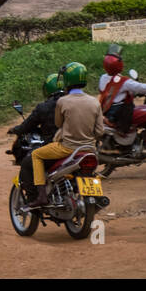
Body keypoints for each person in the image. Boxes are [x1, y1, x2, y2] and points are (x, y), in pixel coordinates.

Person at [27, 61, 103, 208]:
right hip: (89, 150)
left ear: (67, 80)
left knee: (36, 155)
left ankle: (42, 195)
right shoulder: (95, 102)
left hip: (68, 148)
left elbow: (58, 124)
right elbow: (100, 131)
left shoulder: (63, 101)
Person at [97, 47, 146, 154]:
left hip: (107, 113)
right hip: (122, 116)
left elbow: (114, 94)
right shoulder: (125, 82)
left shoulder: (102, 78)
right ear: (119, 65)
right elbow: (141, 87)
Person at [7, 73, 63, 202]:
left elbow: (27, 125)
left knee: (28, 162)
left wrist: (15, 130)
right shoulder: (72, 101)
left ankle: (35, 199)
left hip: (58, 146)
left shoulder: (45, 107)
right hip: (84, 146)